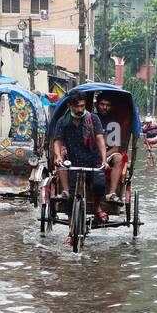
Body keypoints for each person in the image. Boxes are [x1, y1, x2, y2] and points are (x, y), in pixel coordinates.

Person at [52, 92, 110, 228]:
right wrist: (59, 157)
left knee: (99, 185)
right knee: (71, 198)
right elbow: (58, 141)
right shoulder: (63, 121)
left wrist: (104, 160)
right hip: (74, 162)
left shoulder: (93, 119)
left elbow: (100, 140)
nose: (79, 110)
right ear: (69, 106)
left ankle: (96, 208)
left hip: (94, 161)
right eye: (76, 106)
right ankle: (71, 232)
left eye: (82, 106)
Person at [93, 94, 127, 203]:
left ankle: (111, 193)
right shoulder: (90, 119)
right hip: (90, 153)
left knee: (118, 158)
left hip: (107, 154)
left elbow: (116, 148)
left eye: (107, 105)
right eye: (102, 104)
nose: (104, 107)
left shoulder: (114, 123)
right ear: (97, 105)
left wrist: (103, 156)